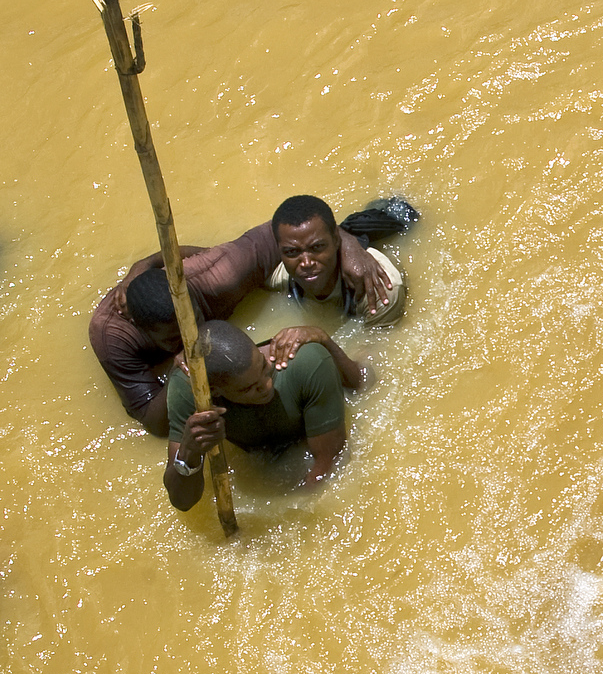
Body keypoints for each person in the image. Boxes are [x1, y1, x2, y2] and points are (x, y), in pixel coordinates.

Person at [89, 209, 392, 436]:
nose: (193, 338)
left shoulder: (218, 277)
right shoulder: (113, 337)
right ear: (144, 331)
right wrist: (184, 370)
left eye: (195, 324)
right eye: (175, 339)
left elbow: (283, 231)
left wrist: (351, 247)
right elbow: (154, 423)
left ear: (196, 302)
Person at [163, 320, 363, 511]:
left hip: (307, 435)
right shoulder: (191, 393)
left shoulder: (308, 364)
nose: (267, 386)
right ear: (215, 391)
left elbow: (328, 465)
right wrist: (189, 452)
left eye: (263, 367)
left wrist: (291, 514)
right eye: (250, 388)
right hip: (258, 457)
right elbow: (182, 502)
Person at [265, 195, 414, 327]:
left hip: (400, 224)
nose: (306, 263)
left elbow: (373, 354)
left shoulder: (381, 292)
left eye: (317, 247)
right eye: (292, 251)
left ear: (337, 240)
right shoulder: (280, 277)